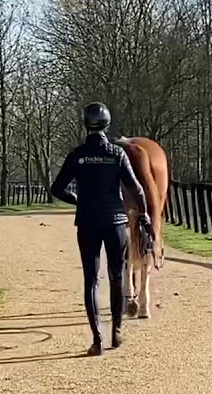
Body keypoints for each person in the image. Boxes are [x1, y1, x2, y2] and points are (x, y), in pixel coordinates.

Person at [50, 102, 151, 356]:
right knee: (117, 276)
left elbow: (57, 188)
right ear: (107, 124)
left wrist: (78, 201)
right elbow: (136, 188)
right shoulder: (116, 154)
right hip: (115, 221)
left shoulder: (78, 155)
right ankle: (116, 332)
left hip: (87, 221)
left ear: (86, 124)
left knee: (91, 281)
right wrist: (144, 213)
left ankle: (96, 339)